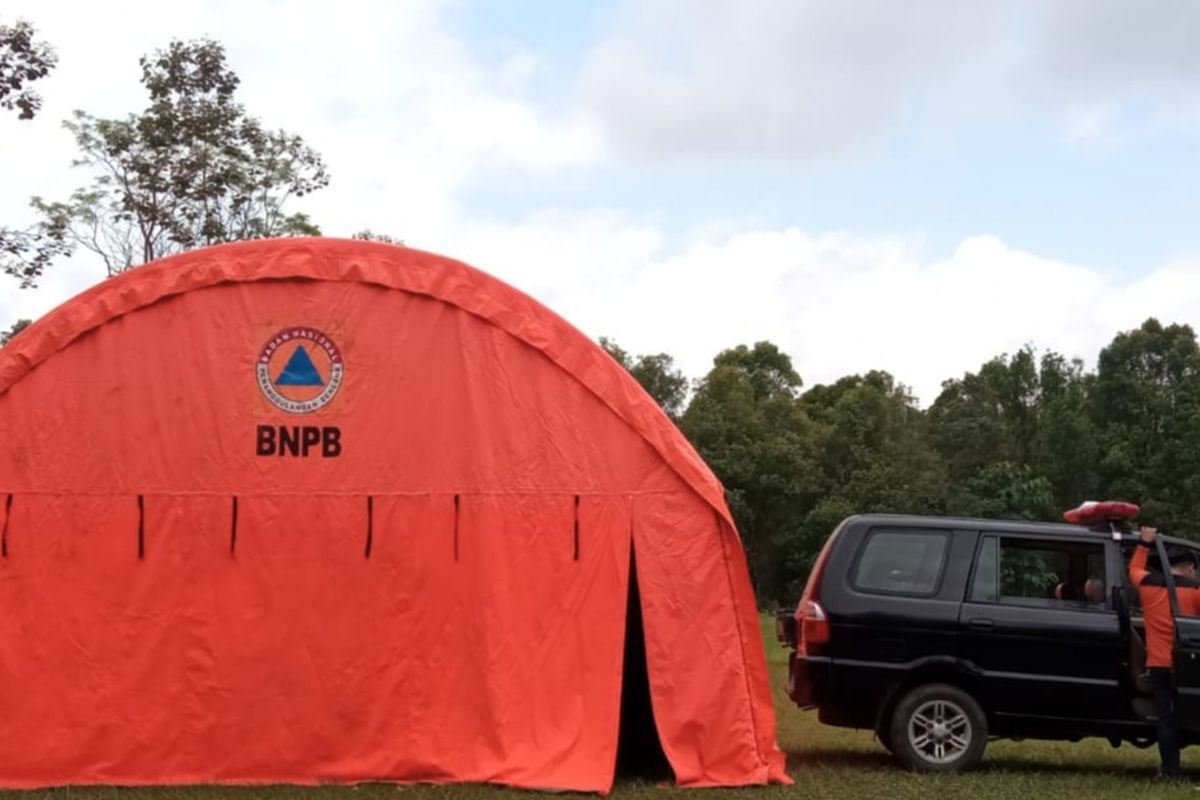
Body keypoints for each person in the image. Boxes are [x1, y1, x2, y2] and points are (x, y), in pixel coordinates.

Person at [1129, 525, 1200, 779]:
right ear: (1190, 568)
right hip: (1186, 664)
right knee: (1187, 712)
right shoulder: (1194, 592)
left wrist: (1143, 544)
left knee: (1166, 718)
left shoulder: (1148, 585)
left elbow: (1134, 570)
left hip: (1158, 665)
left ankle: (1170, 771)